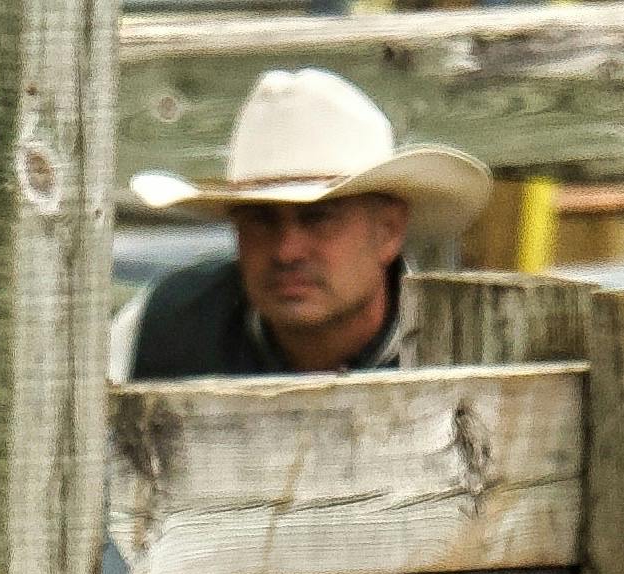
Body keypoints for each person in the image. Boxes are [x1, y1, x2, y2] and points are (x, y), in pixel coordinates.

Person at [112, 69, 491, 383]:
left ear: (389, 231)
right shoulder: (158, 327)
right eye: (261, 219)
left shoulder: (468, 349)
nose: (286, 250)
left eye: (319, 218)